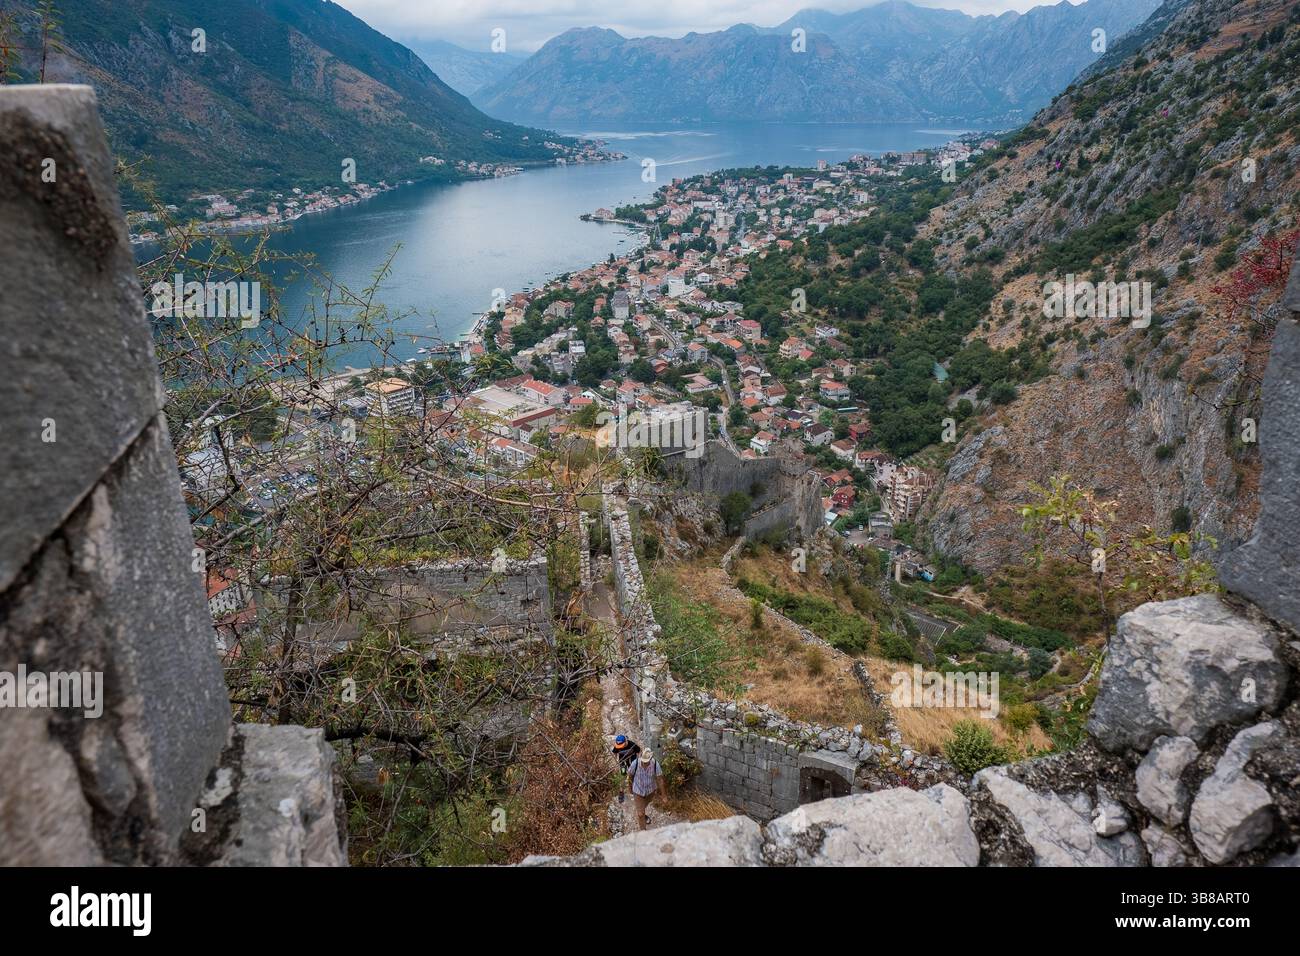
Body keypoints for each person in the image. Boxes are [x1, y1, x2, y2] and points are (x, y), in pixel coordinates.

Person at [626, 748, 666, 831]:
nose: (644, 763)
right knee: (640, 814)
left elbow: (660, 779)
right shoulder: (635, 763)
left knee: (643, 807)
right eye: (643, 761)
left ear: (650, 759)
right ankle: (643, 832)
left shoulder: (655, 764)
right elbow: (629, 776)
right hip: (638, 791)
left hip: (650, 791)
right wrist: (629, 788)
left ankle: (643, 813)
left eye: (646, 761)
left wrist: (664, 795)